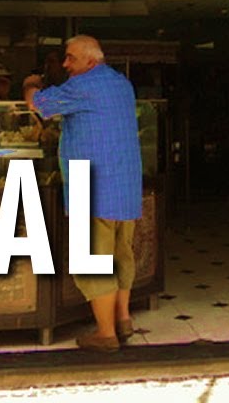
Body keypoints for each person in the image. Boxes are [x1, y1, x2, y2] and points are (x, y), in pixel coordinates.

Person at [23, 35, 142, 353]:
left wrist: (30, 84)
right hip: (126, 185)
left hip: (93, 187)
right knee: (121, 255)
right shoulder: (121, 83)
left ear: (91, 61)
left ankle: (105, 334)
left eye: (70, 58)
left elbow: (39, 105)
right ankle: (123, 319)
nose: (65, 64)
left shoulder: (82, 86)